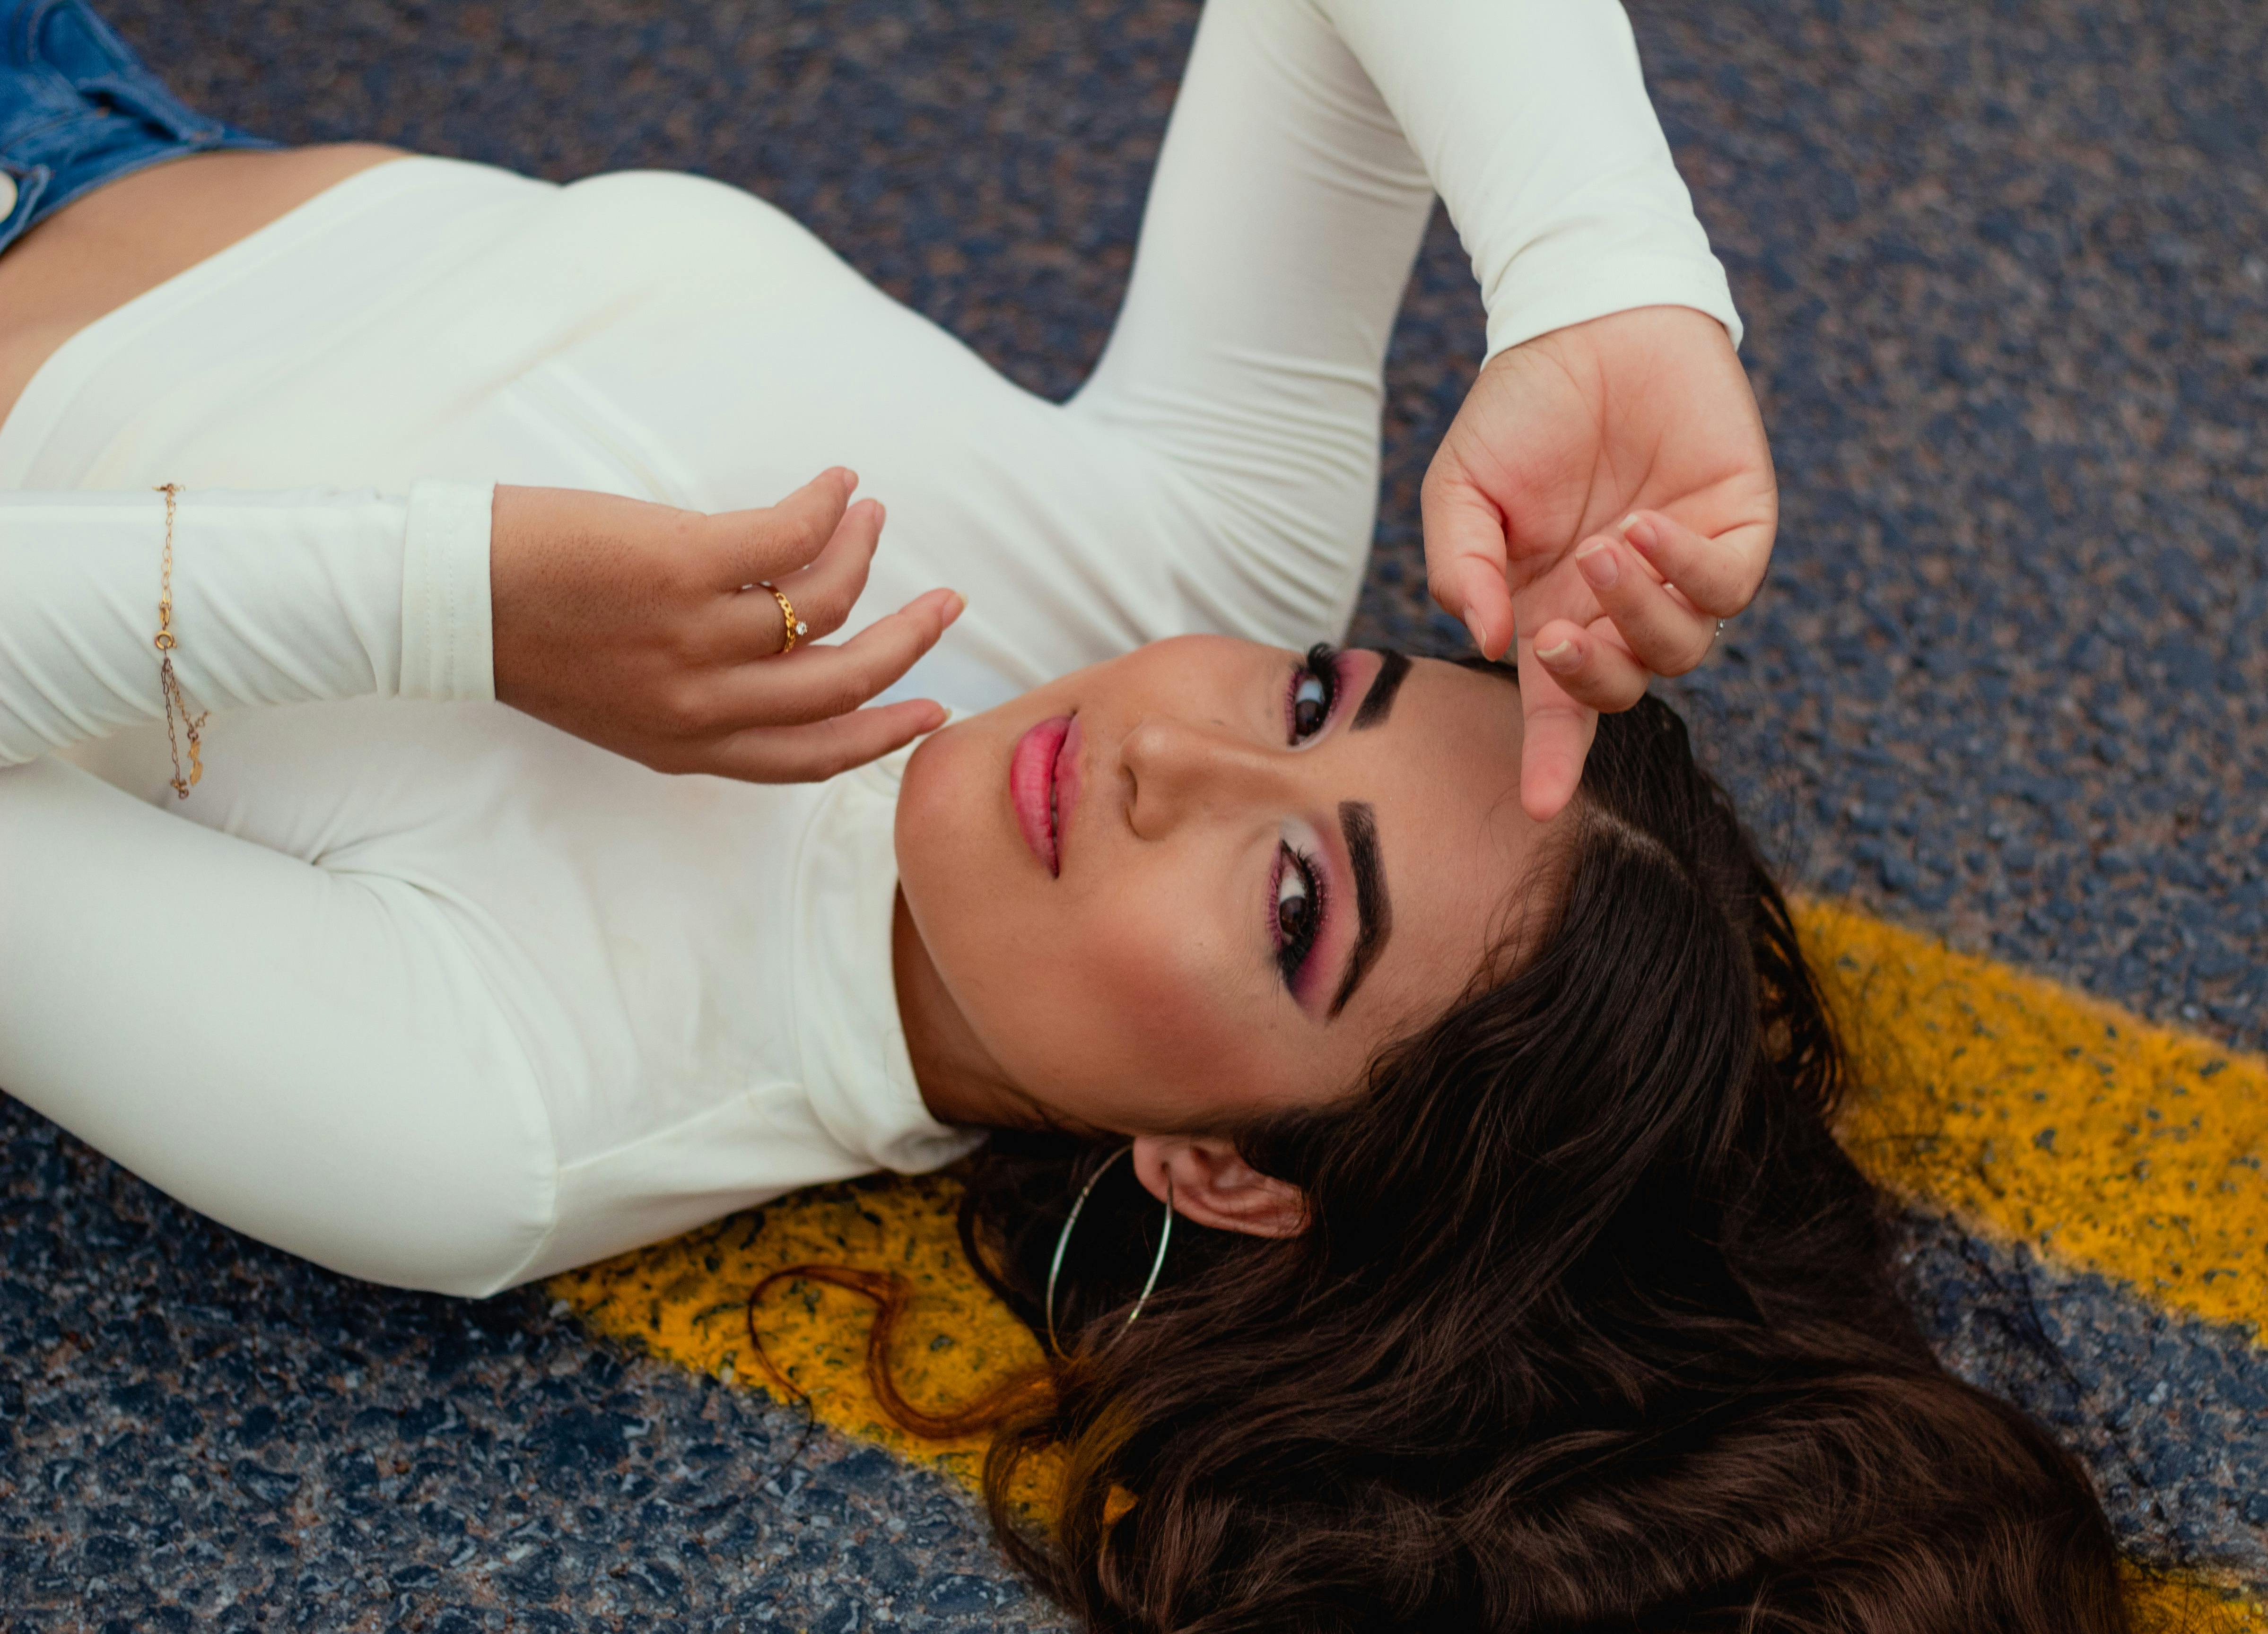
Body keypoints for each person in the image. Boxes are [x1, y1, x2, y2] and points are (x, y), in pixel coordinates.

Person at [0, 1, 2126, 1629]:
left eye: (1292, 899)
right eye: (1322, 697)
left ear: (1223, 1170)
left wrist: (454, 605)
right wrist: (1606, 285)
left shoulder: (510, 1110)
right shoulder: (1182, 565)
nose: (1175, 749)